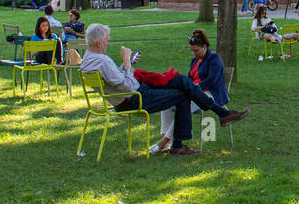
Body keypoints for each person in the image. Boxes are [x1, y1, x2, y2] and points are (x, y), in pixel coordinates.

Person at [79, 23, 247, 156]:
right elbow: (126, 85)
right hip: (136, 98)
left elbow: (115, 79)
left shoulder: (88, 60)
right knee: (182, 94)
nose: (109, 43)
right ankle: (215, 119)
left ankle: (218, 117)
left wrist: (125, 65)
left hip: (130, 97)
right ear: (99, 42)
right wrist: (127, 63)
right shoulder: (102, 60)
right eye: (108, 40)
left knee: (181, 82)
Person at [152, 30, 230, 154]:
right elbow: (190, 78)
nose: (194, 54)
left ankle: (163, 142)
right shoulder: (194, 60)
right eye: (192, 51)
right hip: (193, 92)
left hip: (210, 94)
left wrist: (193, 88)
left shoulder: (214, 58)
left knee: (185, 107)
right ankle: (170, 142)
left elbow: (212, 81)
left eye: (196, 51)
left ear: (204, 47)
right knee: (166, 103)